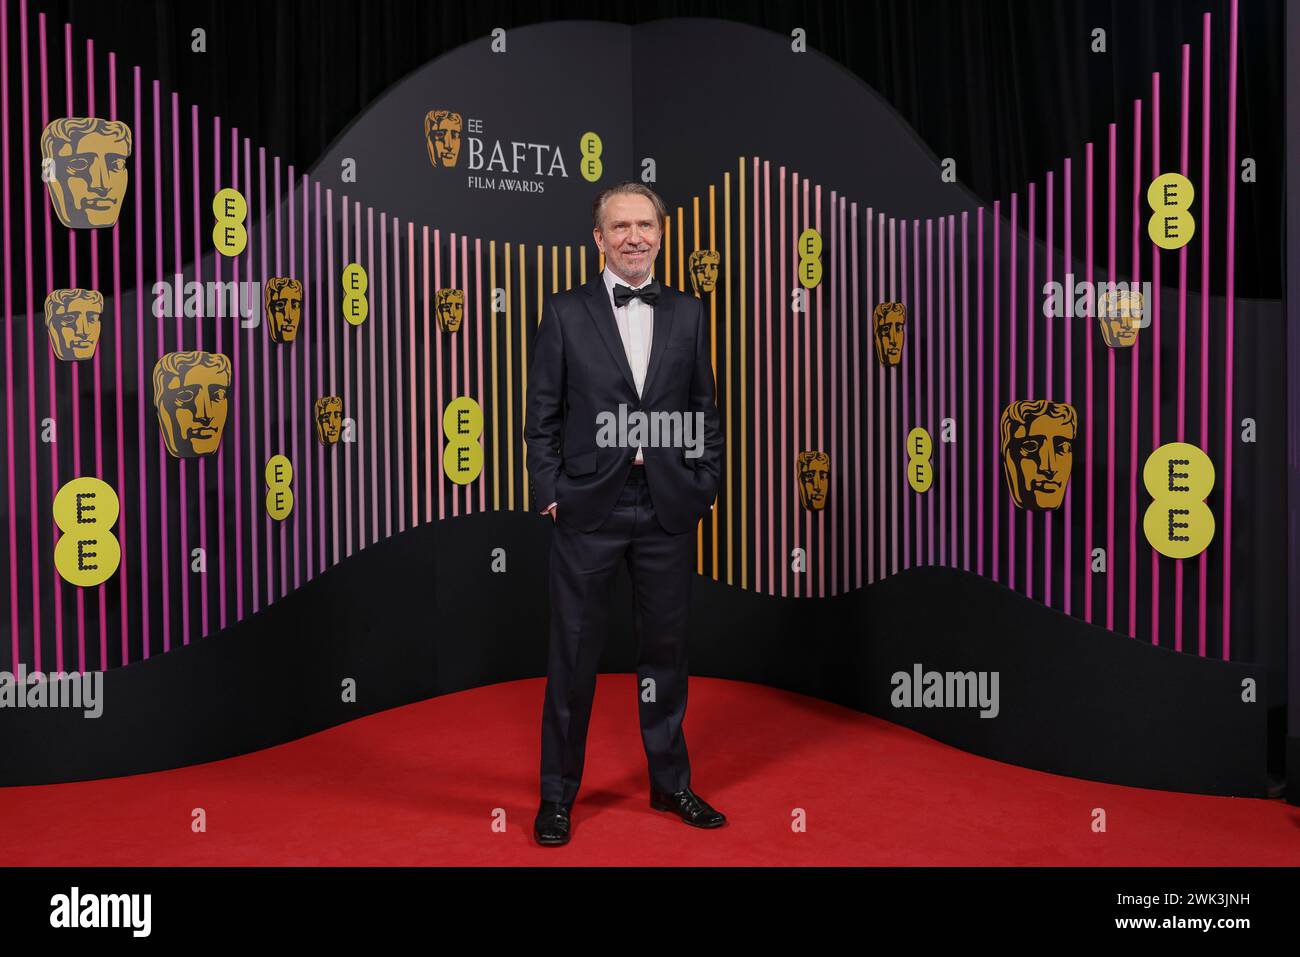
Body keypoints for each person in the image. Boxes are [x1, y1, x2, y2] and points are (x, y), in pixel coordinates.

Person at [524, 182, 724, 846]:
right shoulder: (564, 311)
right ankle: (557, 796)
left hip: (666, 506)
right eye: (620, 226)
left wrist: (704, 485)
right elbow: (541, 419)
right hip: (588, 509)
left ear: (662, 235)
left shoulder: (690, 314)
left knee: (666, 654)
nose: (634, 236)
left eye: (645, 225)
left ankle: (671, 783)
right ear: (598, 238)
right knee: (573, 656)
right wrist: (553, 491)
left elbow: (704, 412)